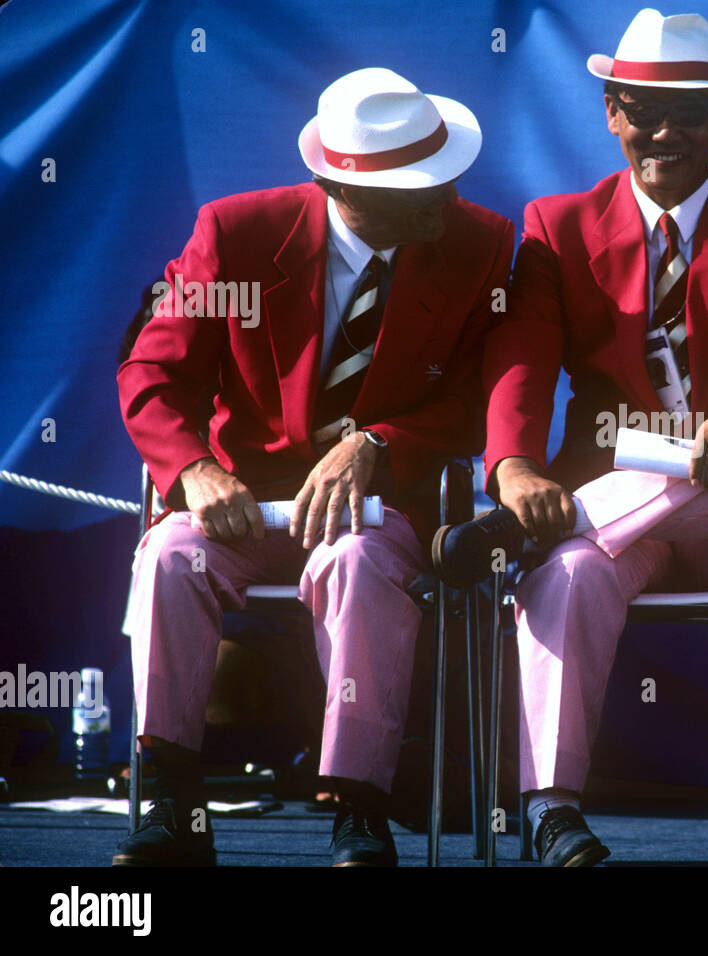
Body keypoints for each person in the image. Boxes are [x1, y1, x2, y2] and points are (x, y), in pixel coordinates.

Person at [432, 8, 708, 866]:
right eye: (639, 110)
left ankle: (527, 533)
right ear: (609, 113)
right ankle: (550, 808)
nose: (662, 132)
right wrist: (509, 466)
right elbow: (523, 356)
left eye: (687, 111)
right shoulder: (558, 225)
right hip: (622, 520)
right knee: (573, 573)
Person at [115, 67, 513, 866]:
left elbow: (480, 405)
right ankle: (170, 801)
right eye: (417, 188)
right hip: (242, 503)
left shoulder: (481, 244)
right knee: (167, 556)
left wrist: (376, 442)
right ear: (340, 186)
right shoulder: (237, 236)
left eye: (446, 177)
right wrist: (192, 470)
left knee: (360, 561)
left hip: (382, 511)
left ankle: (357, 806)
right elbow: (151, 373)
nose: (444, 201)